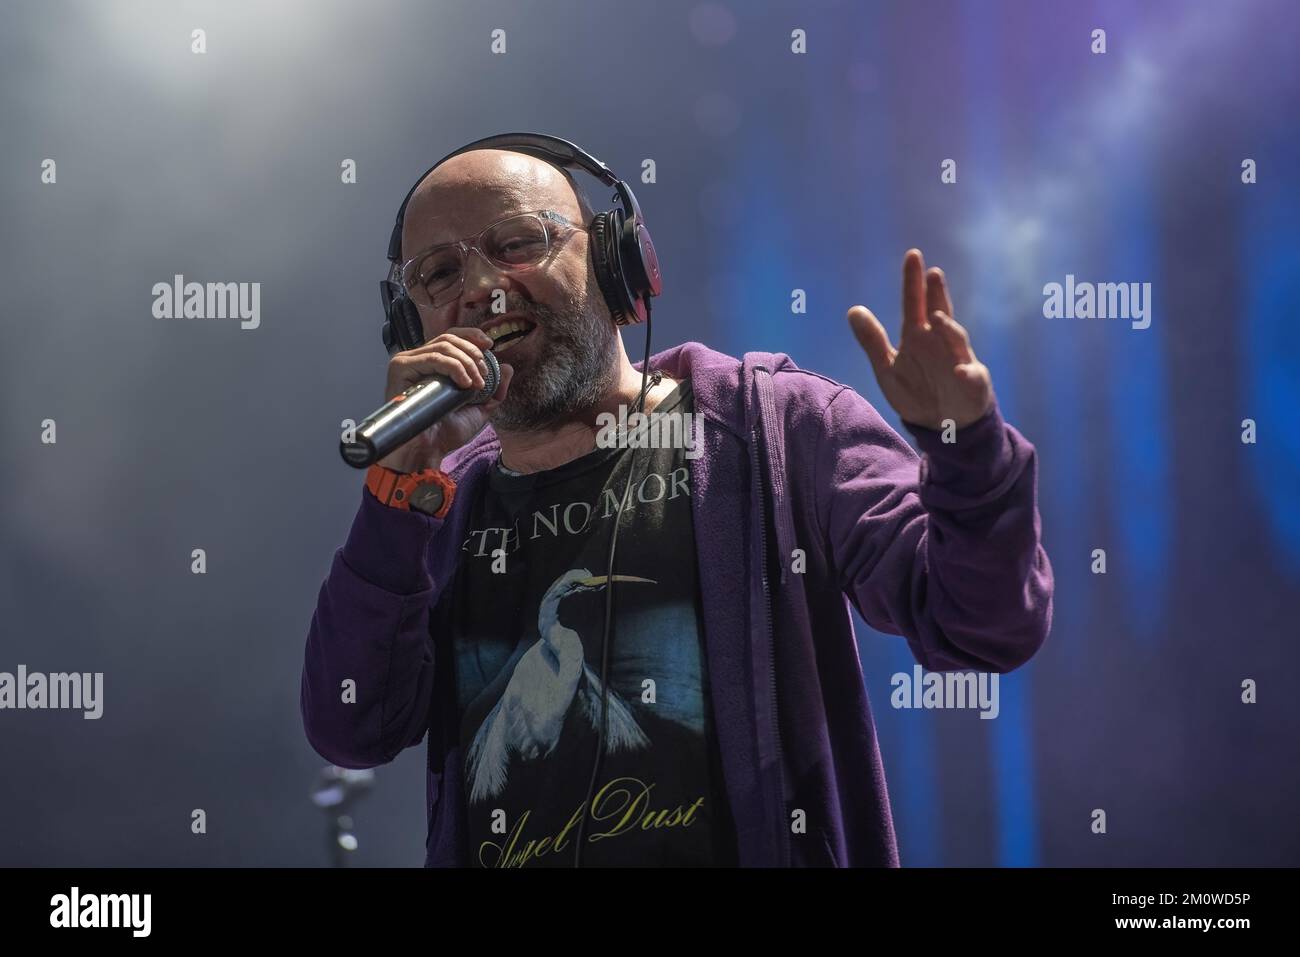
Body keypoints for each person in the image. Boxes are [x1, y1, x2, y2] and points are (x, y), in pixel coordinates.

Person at [301, 141, 1054, 868]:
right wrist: (394, 499)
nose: (480, 286)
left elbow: (982, 625)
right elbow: (351, 725)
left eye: (516, 242)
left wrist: (965, 451)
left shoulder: (780, 425)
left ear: (614, 263)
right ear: (411, 325)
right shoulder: (433, 506)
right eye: (438, 272)